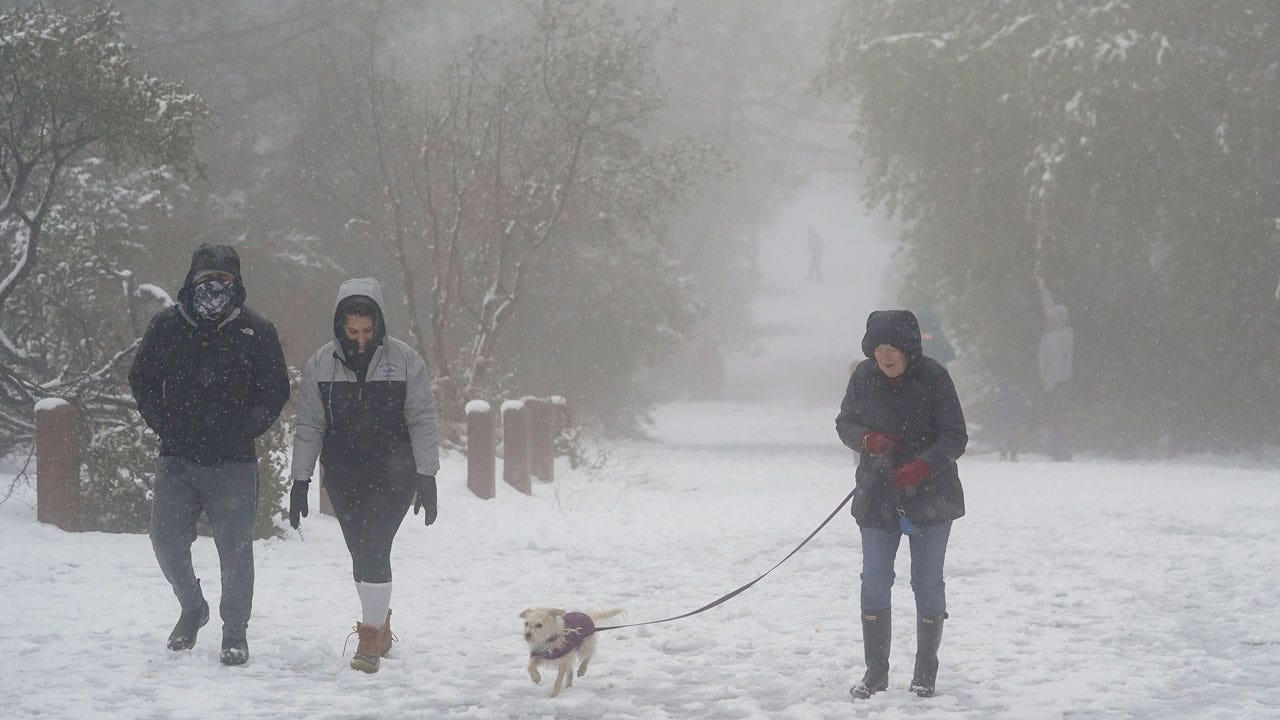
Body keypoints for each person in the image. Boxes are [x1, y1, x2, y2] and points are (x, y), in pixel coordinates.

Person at [128, 244, 290, 666]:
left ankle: (234, 631)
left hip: (234, 462)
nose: (213, 287)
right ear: (191, 280)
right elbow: (142, 378)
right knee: (164, 539)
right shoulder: (166, 326)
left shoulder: (257, 329)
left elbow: (275, 390)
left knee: (234, 549)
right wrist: (163, 422)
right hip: (176, 457)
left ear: (235, 283)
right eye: (205, 279)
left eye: (222, 279)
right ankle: (192, 606)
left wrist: (244, 428)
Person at [289, 278, 440, 673]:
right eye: (352, 331)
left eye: (367, 331)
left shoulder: (405, 361)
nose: (359, 339)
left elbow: (422, 418)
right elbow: (309, 425)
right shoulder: (320, 365)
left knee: (374, 546)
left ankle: (370, 637)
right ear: (340, 326)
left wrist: (427, 474)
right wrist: (300, 480)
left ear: (379, 324)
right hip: (342, 474)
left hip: (395, 472)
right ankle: (380, 624)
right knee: (360, 552)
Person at [836, 310, 967, 699]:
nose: (885, 357)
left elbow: (955, 436)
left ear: (908, 348)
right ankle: (875, 672)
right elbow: (844, 423)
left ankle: (925, 671)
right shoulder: (862, 377)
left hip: (931, 498)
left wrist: (923, 465)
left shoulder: (935, 378)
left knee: (927, 583)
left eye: (892, 348)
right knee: (874, 581)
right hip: (877, 497)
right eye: (878, 348)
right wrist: (867, 441)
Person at [1036, 275, 1074, 460]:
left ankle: (1062, 451)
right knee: (1054, 417)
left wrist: (1057, 378)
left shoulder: (1064, 335)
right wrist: (1043, 288)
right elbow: (1048, 307)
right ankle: (1056, 450)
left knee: (1060, 418)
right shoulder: (1049, 335)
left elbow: (1062, 361)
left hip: (1060, 383)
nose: (1047, 318)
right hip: (1052, 384)